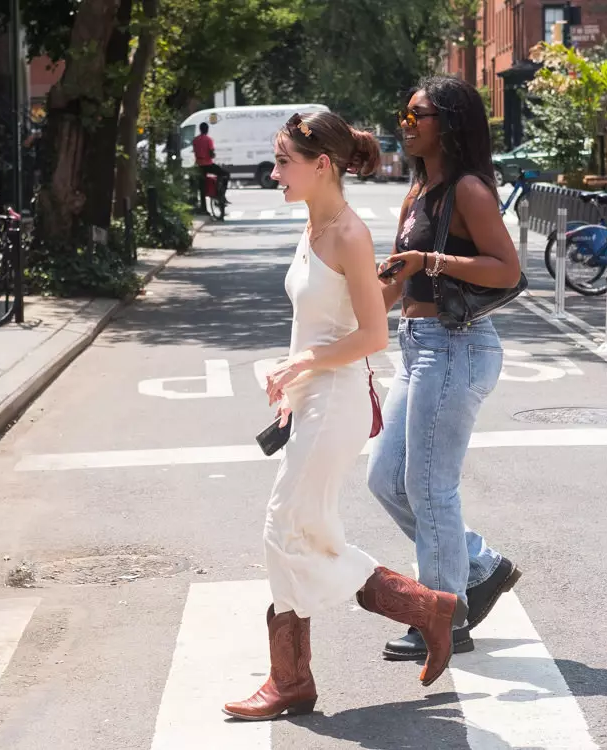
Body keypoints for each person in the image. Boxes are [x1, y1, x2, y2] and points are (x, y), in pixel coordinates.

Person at [224, 111, 468, 722]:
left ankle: (297, 676)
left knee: (284, 531)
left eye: (284, 162)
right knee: (305, 535)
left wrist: (303, 363)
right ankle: (420, 611)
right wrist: (288, 376)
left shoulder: (349, 234)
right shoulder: (313, 225)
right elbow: (316, 320)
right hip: (311, 395)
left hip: (336, 403)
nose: (275, 172)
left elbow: (373, 335)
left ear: (322, 165)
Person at [367, 76, 523, 663]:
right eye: (403, 114)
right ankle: (478, 566)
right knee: (386, 478)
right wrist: (349, 330)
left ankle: (444, 617)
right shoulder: (417, 193)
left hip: (456, 344)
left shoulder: (469, 191)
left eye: (417, 114)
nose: (405, 123)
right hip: (415, 344)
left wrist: (433, 259)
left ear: (449, 122)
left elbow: (506, 270)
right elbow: (395, 280)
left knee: (430, 486)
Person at [192, 122, 230, 214]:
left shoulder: (195, 140)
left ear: (200, 129)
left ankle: (203, 209)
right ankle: (222, 193)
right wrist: (212, 155)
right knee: (225, 174)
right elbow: (211, 154)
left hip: (199, 166)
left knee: (202, 187)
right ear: (207, 130)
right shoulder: (209, 140)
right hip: (208, 164)